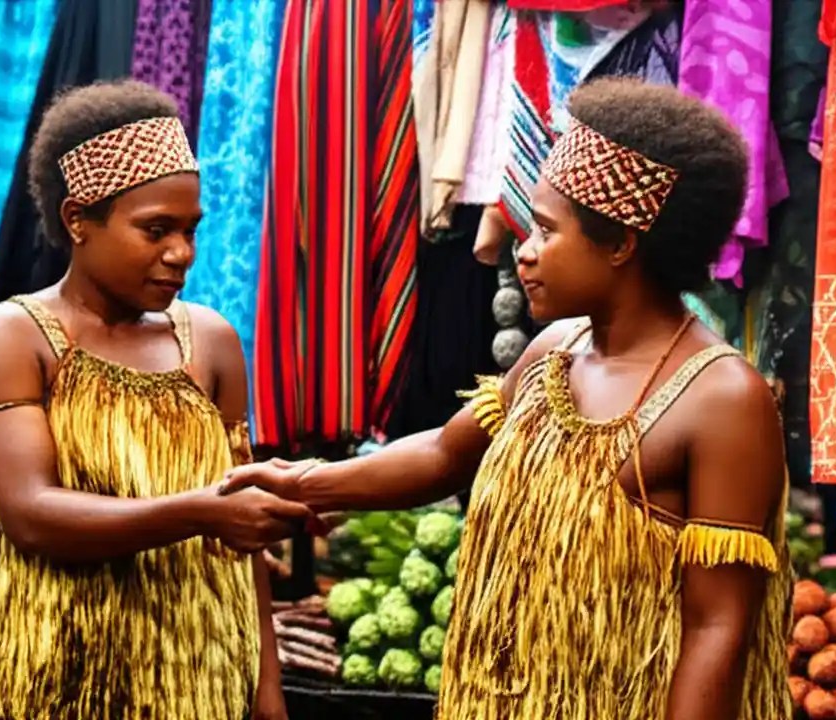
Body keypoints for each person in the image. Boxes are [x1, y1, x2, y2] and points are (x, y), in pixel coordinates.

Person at [223, 78, 791, 719]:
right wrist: (301, 485)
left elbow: (717, 629)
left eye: (546, 231)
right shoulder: (553, 350)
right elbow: (442, 453)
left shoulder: (721, 398)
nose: (523, 253)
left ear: (621, 245)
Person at [0, 80, 305, 720]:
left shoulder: (212, 343)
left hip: (198, 679)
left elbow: (242, 531)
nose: (182, 254)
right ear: (77, 221)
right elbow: (30, 514)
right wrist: (200, 512)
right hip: (57, 679)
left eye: (190, 230)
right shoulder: (13, 338)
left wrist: (267, 691)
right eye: (155, 230)